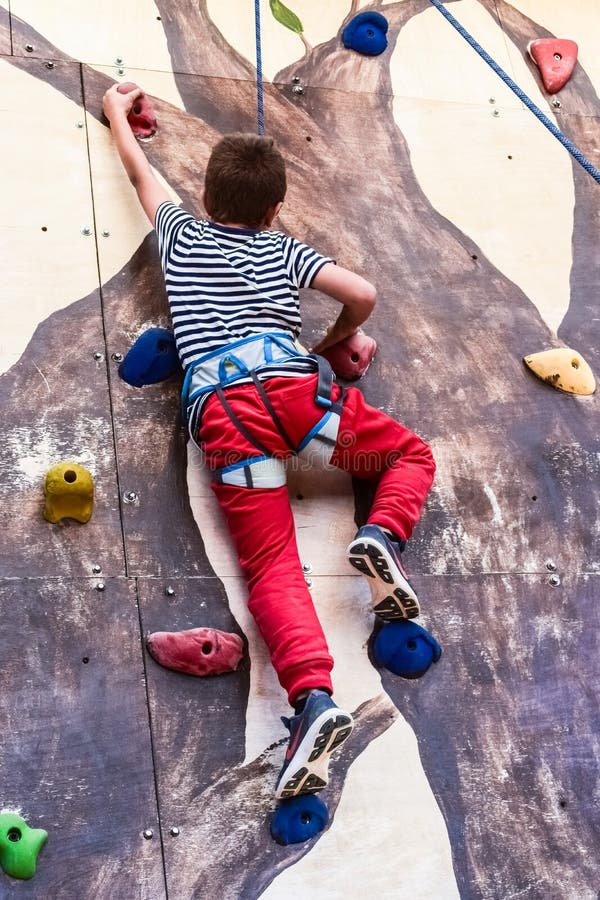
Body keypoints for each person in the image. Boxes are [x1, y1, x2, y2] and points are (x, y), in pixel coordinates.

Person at [102, 83, 436, 800]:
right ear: (275, 209)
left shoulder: (181, 234)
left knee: (272, 567)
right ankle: (380, 532)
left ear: (206, 197)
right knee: (408, 454)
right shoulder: (286, 251)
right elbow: (366, 293)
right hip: (298, 401)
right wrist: (334, 338)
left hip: (227, 416)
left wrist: (114, 114)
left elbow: (140, 172)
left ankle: (314, 697)